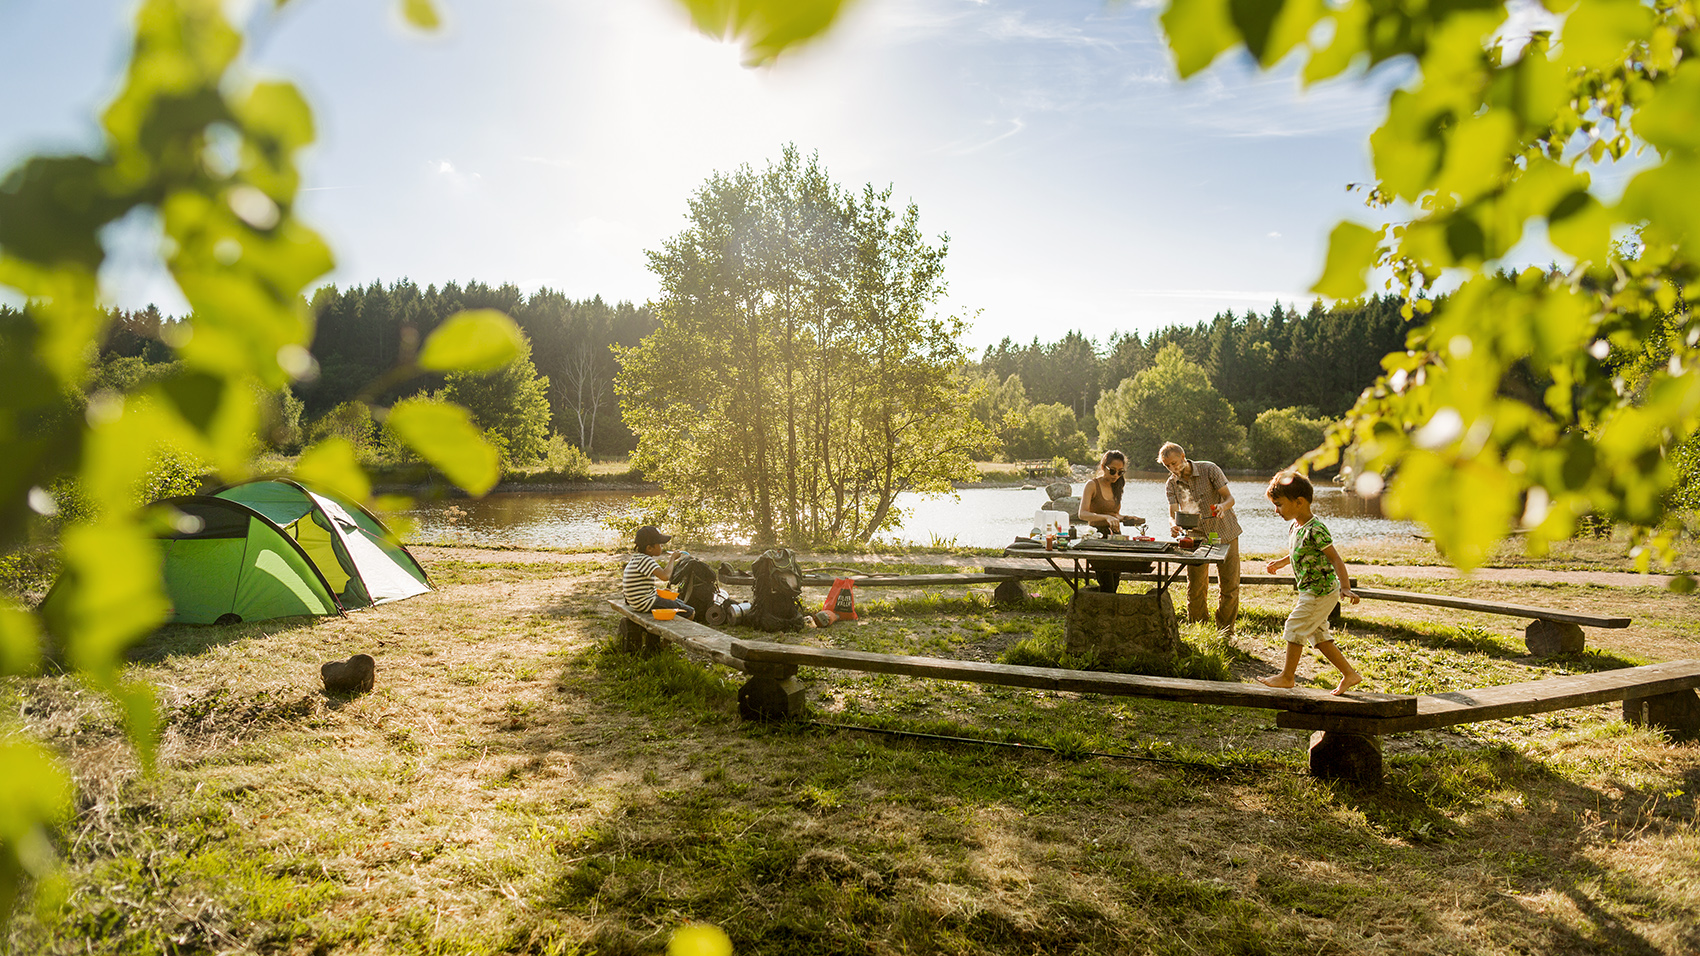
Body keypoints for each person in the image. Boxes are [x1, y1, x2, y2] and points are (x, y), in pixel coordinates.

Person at [1258, 471, 1362, 695]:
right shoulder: (1296, 526)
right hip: (1311, 590)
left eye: (1279, 505)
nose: (1276, 511)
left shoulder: (1316, 529)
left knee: (1294, 626)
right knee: (1319, 635)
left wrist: (1345, 587)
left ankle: (1287, 677)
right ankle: (1349, 674)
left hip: (1320, 592)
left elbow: (1335, 558)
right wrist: (1282, 562)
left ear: (1299, 502)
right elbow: (1299, 551)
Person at [1159, 441, 1241, 633]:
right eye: (1167, 466)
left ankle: (1225, 631)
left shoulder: (1209, 469)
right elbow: (1173, 514)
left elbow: (1229, 498)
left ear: (1183, 457)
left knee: (1229, 586)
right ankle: (1199, 630)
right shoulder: (1171, 484)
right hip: (1195, 538)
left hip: (1225, 531)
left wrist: (1222, 507)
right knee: (1196, 587)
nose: (1172, 469)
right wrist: (1173, 525)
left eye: (1174, 463)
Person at [1077, 449, 1146, 593]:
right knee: (1106, 582)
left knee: (1115, 581)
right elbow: (1082, 514)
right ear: (1103, 467)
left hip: (1115, 536)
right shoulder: (1092, 485)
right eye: (1113, 471)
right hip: (1097, 537)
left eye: (1121, 472)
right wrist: (1105, 517)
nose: (1116, 475)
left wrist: (1126, 518)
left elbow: (1114, 514)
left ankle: (1106, 606)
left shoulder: (1117, 485)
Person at [622, 525, 695, 620]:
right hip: (646, 603)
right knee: (689, 612)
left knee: (680, 603)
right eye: (660, 545)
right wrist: (672, 558)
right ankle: (682, 628)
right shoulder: (646, 560)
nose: (662, 547)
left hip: (638, 602)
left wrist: (659, 592)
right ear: (649, 548)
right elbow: (665, 576)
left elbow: (640, 586)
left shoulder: (637, 558)